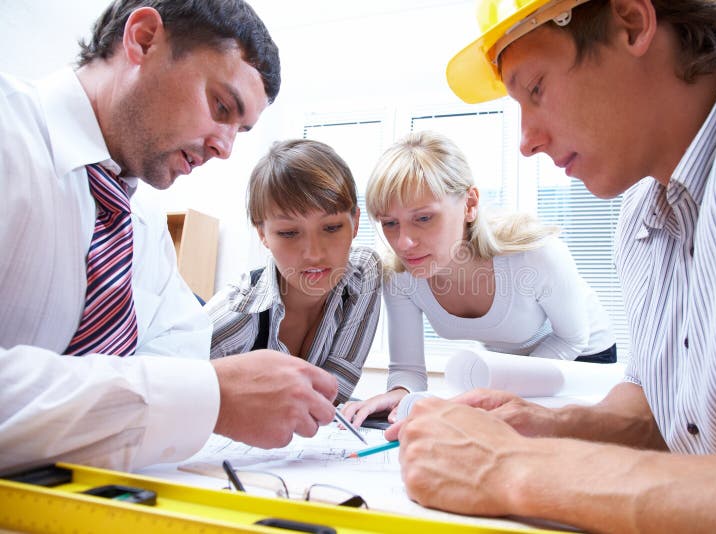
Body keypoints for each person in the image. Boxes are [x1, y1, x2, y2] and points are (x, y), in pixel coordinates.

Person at [386, 0, 716, 531]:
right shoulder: (641, 216)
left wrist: (515, 469)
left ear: (631, 22)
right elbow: (666, 418)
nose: (527, 140)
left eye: (535, 89)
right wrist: (539, 425)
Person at [0, 0, 338, 474]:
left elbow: (179, 348)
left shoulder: (141, 219)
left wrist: (193, 393)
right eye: (221, 106)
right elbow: (179, 384)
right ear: (143, 39)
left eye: (240, 130)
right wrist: (209, 396)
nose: (224, 148)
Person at [342, 130, 615, 427]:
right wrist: (400, 393)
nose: (404, 242)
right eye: (390, 223)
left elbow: (572, 337)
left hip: (581, 362)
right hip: (511, 371)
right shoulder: (401, 276)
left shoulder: (535, 255)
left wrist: (493, 394)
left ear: (470, 204)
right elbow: (408, 369)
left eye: (423, 218)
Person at [204, 139, 381, 404]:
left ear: (355, 223)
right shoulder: (233, 321)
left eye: (331, 227)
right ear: (263, 233)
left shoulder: (363, 274)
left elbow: (331, 396)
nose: (313, 253)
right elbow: (159, 401)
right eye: (289, 233)